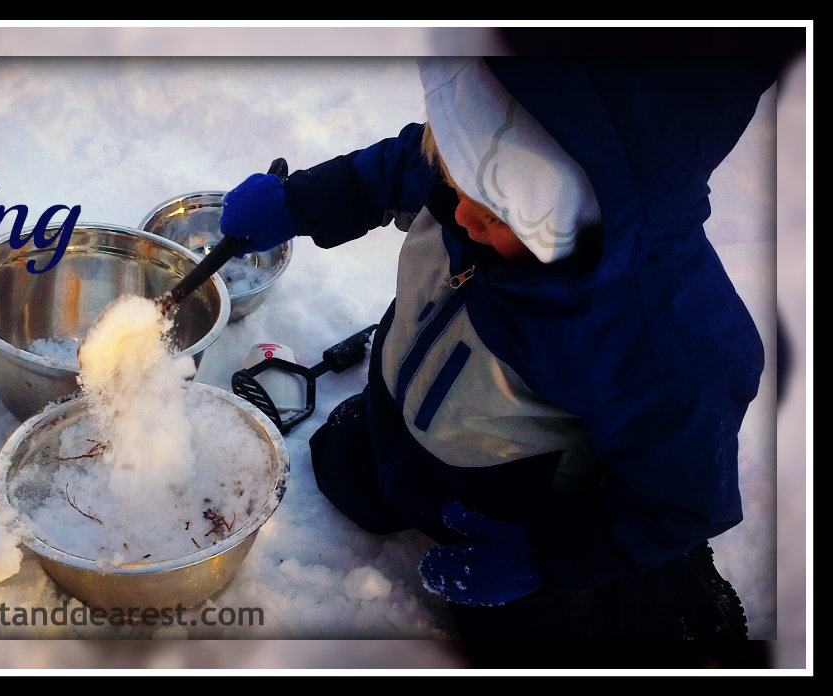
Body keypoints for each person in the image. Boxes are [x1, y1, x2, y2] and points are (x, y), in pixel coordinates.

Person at [217, 55, 781, 651]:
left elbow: (681, 500)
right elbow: (399, 166)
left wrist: (546, 555)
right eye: (454, 180)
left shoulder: (661, 341)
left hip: (521, 510)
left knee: (516, 638)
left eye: (491, 214)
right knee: (343, 473)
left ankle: (672, 601)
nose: (457, 214)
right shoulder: (476, 172)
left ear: (578, 216)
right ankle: (395, 464)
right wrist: (299, 202)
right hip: (402, 423)